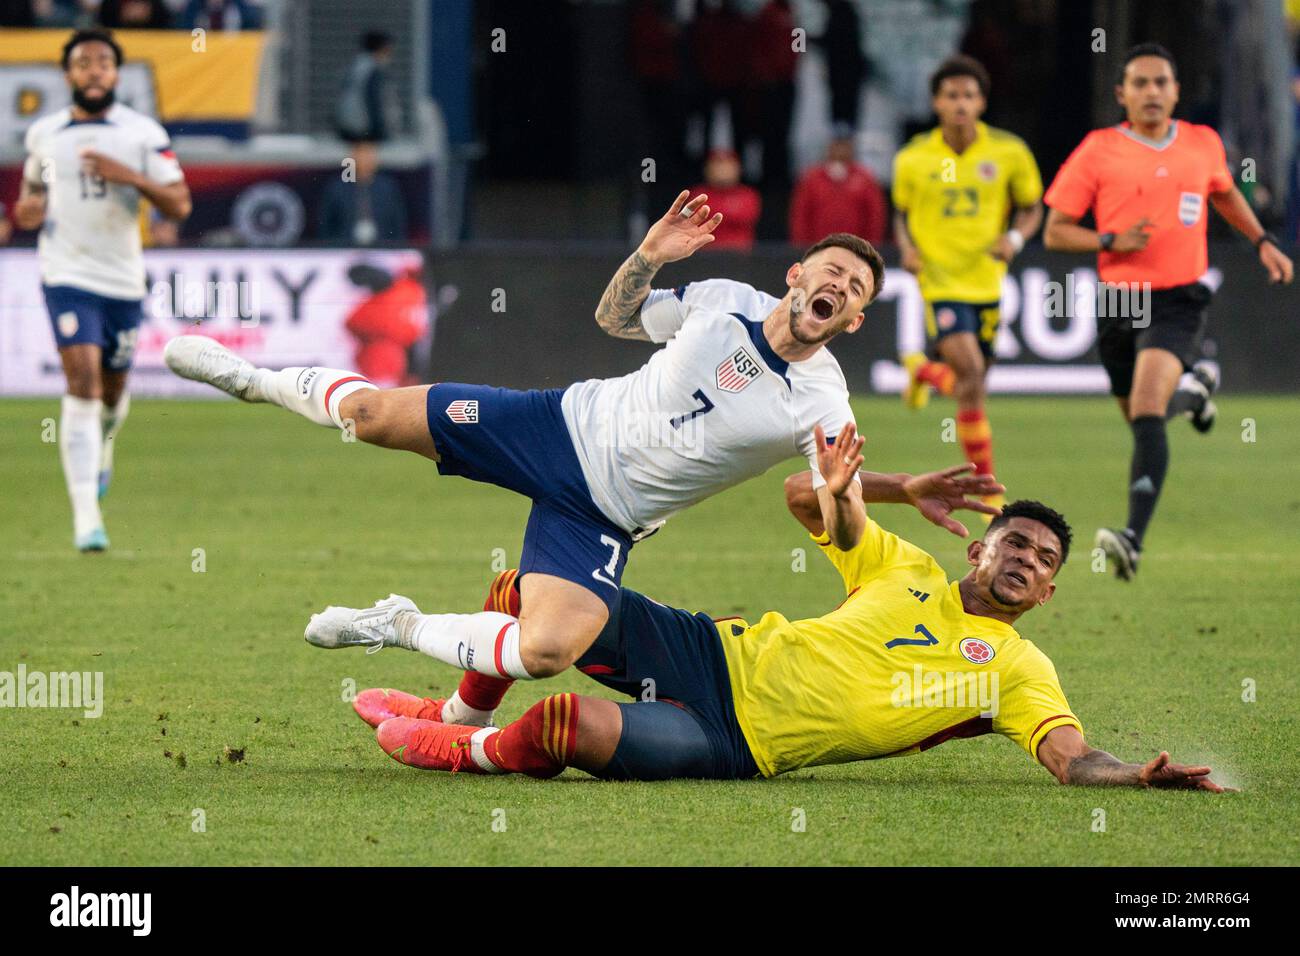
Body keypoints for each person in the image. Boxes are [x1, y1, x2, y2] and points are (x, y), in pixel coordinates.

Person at [167, 192, 991, 734]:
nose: (840, 289)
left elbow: (834, 509)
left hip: (604, 514)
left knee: (549, 650)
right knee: (374, 416)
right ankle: (251, 378)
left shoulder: (823, 402)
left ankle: (398, 624)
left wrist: (874, 490)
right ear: (797, 274)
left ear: (851, 322)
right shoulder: (719, 300)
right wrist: (652, 254)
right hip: (558, 426)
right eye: (833, 273)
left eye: (855, 292)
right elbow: (613, 317)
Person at [336, 443, 1229, 794]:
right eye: (1014, 542)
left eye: (1041, 561)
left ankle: (467, 751)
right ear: (977, 550)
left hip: (736, 747)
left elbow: (1074, 760)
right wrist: (887, 488)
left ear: (1044, 595)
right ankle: (460, 715)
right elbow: (809, 494)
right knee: (522, 590)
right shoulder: (902, 564)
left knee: (566, 724)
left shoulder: (1018, 672)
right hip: (708, 648)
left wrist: (1138, 780)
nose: (1025, 558)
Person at [1043, 43, 1294, 580]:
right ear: (1122, 94)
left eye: (1161, 82)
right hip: (1119, 300)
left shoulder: (1201, 144)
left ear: (1176, 91)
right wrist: (1111, 237)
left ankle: (1132, 536)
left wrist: (1262, 241)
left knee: (1149, 410)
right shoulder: (1098, 149)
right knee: (1141, 420)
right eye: (1140, 83)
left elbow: (1225, 194)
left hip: (1178, 298)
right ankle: (1197, 390)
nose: (1152, 92)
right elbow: (1055, 231)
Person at [13, 29, 191, 551]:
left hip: (122, 279)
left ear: (116, 74)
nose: (94, 71)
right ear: (67, 74)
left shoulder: (142, 134)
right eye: (84, 62)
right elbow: (32, 195)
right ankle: (86, 518)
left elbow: (179, 204)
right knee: (83, 380)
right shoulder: (44, 133)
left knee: (111, 390)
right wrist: (26, 212)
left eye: (104, 63)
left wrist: (129, 177)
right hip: (65, 274)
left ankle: (105, 446)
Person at [893, 55, 1043, 516]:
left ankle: (921, 370)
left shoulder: (1009, 152)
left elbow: (1032, 207)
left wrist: (1015, 238)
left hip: (987, 281)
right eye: (951, 95)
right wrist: (908, 250)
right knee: (973, 376)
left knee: (972, 384)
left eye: (969, 95)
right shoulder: (914, 157)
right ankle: (986, 484)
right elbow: (900, 214)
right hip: (940, 281)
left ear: (982, 101)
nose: (960, 103)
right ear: (937, 102)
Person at [789, 126, 886, 246]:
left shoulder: (865, 178)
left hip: (855, 251)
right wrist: (801, 248)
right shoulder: (811, 178)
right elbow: (800, 216)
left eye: (845, 144)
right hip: (818, 250)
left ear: (852, 146)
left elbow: (875, 217)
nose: (841, 148)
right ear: (829, 146)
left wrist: (870, 250)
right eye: (837, 143)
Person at [317, 142, 407, 245]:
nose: (365, 160)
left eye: (369, 155)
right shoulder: (337, 188)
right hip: (344, 249)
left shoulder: (388, 187)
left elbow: (398, 224)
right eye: (361, 155)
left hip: (382, 249)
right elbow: (326, 226)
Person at [336, 30, 400, 146]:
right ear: (381, 48)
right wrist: (381, 131)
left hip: (348, 128)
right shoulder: (373, 70)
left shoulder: (355, 66)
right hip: (365, 131)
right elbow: (373, 101)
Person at [691, 149, 760, 250]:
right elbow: (694, 221)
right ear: (707, 169)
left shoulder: (748, 194)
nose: (723, 170)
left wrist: (715, 214)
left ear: (738, 168)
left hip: (740, 256)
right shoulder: (698, 194)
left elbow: (747, 217)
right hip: (706, 254)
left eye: (728, 165)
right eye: (718, 164)